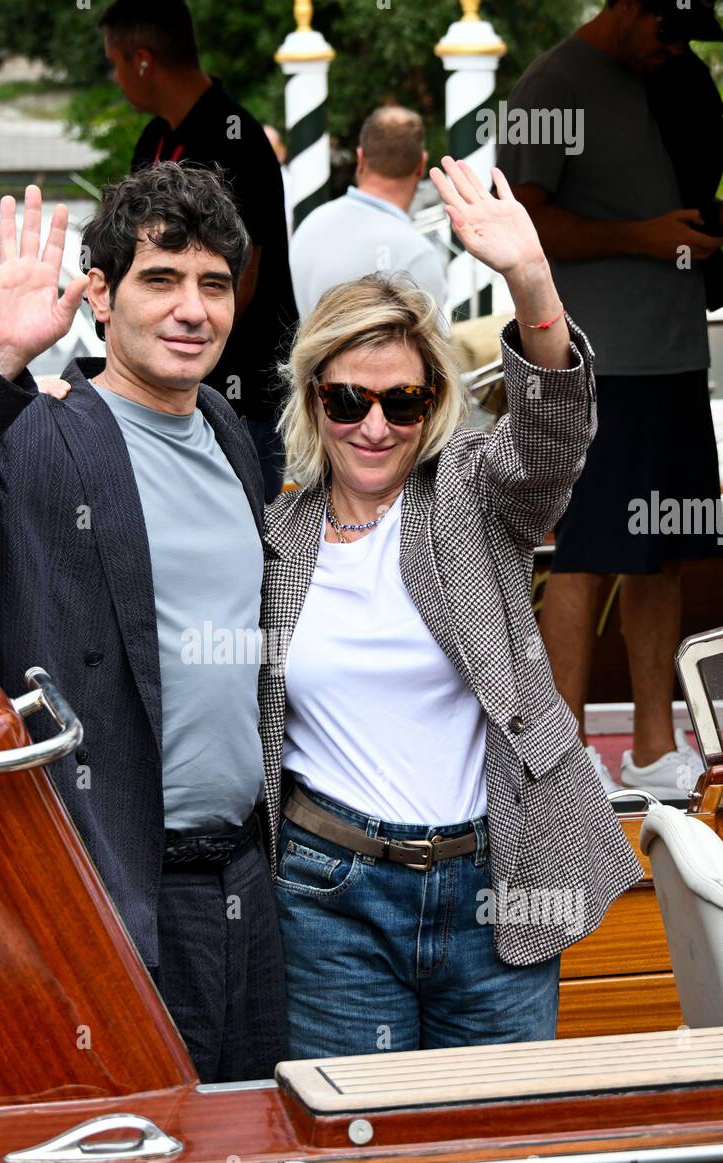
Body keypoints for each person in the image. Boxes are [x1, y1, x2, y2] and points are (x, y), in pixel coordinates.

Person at [0, 164, 287, 1084]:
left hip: (246, 883)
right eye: (159, 281)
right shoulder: (32, 434)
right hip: (107, 888)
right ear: (99, 294)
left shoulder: (230, 434)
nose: (190, 310)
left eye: (211, 284)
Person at [258, 156, 643, 1059]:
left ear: (433, 403)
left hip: (496, 877)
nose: (374, 425)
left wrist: (529, 277)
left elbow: (552, 437)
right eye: (348, 399)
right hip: (327, 892)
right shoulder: (272, 530)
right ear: (315, 396)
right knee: (357, 1157)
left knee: (505, 1149)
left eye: (403, 400)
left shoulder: (471, 489)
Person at [496, 0, 723, 800]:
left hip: (671, 354)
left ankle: (655, 749)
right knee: (587, 549)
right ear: (627, 6)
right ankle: (562, 759)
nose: (678, 48)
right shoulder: (553, 85)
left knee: (657, 551)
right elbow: (517, 219)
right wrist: (643, 235)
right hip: (595, 360)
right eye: (667, 30)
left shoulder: (670, 80)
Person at [98, 0, 297, 502]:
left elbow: (243, 270)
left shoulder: (235, 136)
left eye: (116, 63)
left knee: (238, 520)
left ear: (142, 60)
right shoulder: (156, 138)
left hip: (239, 389)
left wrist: (185, 351)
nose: (116, 78)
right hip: (159, 383)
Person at [290, 105, 448, 321]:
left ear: (361, 158)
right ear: (421, 164)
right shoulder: (415, 253)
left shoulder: (311, 224)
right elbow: (432, 346)